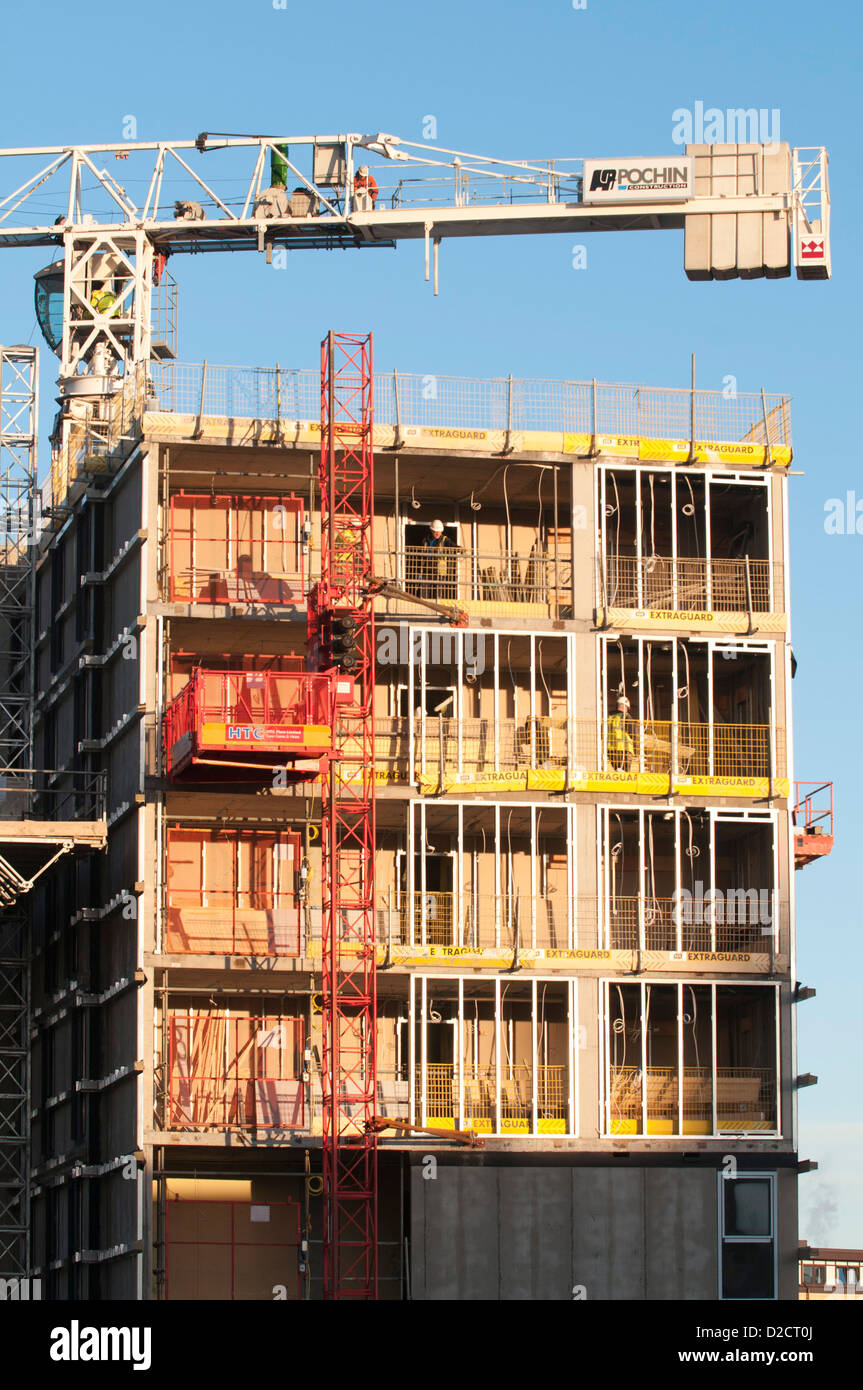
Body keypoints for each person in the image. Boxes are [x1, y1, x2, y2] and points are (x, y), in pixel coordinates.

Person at [422, 520, 456, 600]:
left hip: (440, 570)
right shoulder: (426, 540)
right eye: (435, 532)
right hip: (428, 569)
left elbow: (453, 545)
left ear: (441, 531)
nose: (437, 533)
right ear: (431, 531)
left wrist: (459, 549)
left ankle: (437, 609)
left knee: (437, 592)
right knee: (425, 591)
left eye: (439, 532)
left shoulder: (445, 539)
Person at [607, 694, 636, 772]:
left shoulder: (609, 717)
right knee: (625, 773)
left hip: (611, 750)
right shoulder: (626, 716)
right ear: (625, 706)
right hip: (625, 749)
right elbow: (632, 733)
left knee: (617, 771)